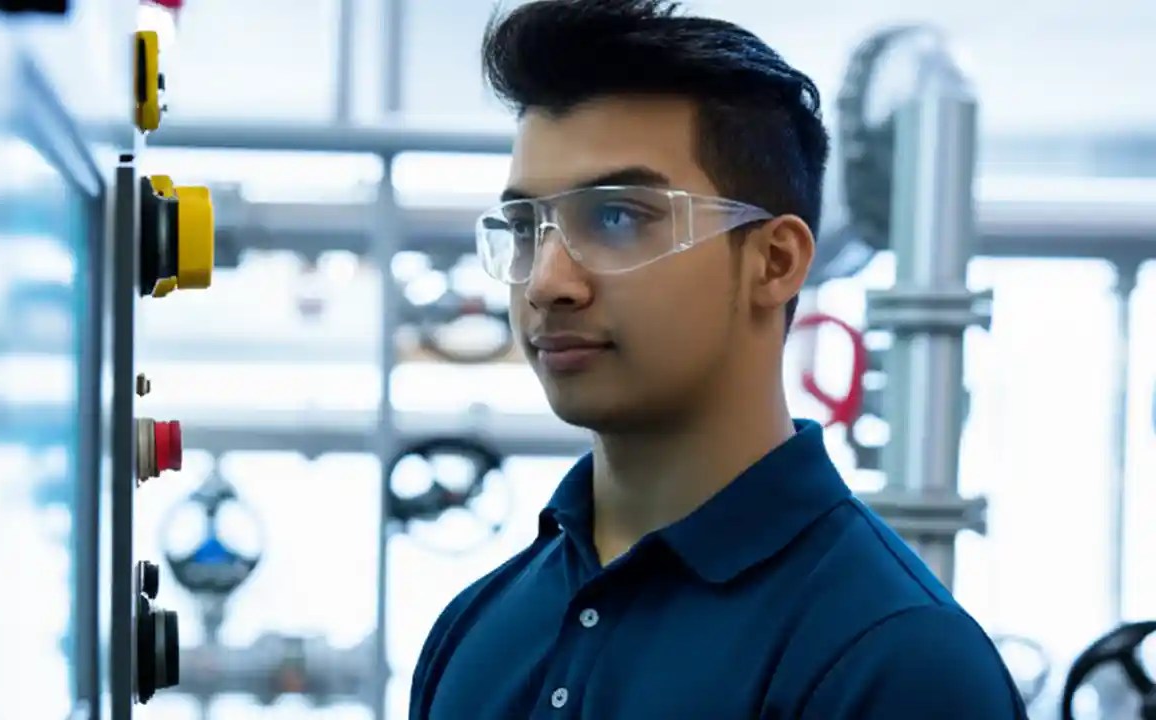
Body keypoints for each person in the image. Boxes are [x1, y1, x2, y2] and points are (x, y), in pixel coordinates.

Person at [409, 1, 1027, 718]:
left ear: (775, 261)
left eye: (616, 217)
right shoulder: (475, 629)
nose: (547, 282)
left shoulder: (896, 659)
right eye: (526, 228)